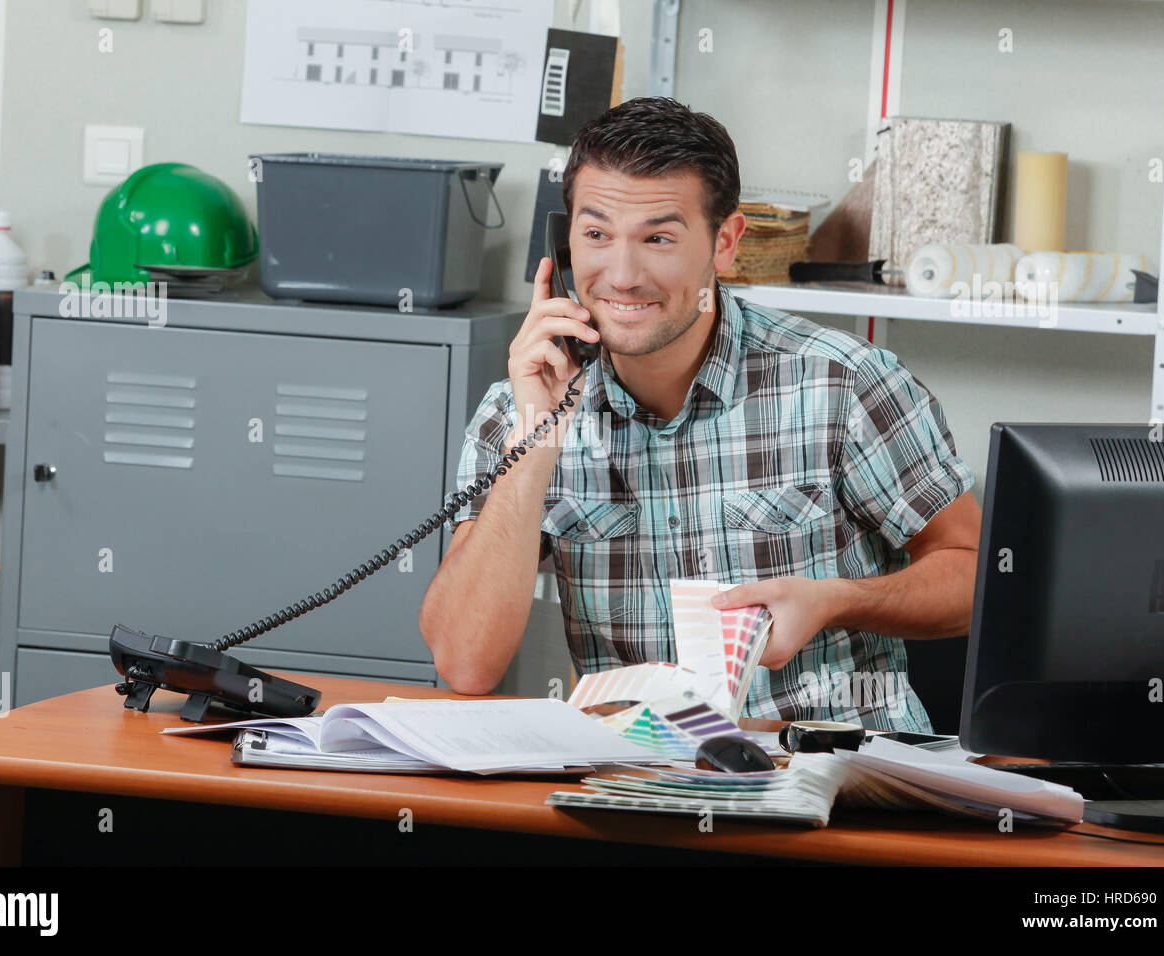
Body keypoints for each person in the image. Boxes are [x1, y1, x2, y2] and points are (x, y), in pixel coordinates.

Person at [419, 96, 981, 732]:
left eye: (658, 238)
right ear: (564, 239)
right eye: (597, 235)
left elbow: (974, 574)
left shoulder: (841, 383)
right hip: (633, 782)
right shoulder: (524, 401)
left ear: (725, 243)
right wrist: (537, 441)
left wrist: (834, 601)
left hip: (826, 779)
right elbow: (465, 662)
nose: (622, 275)